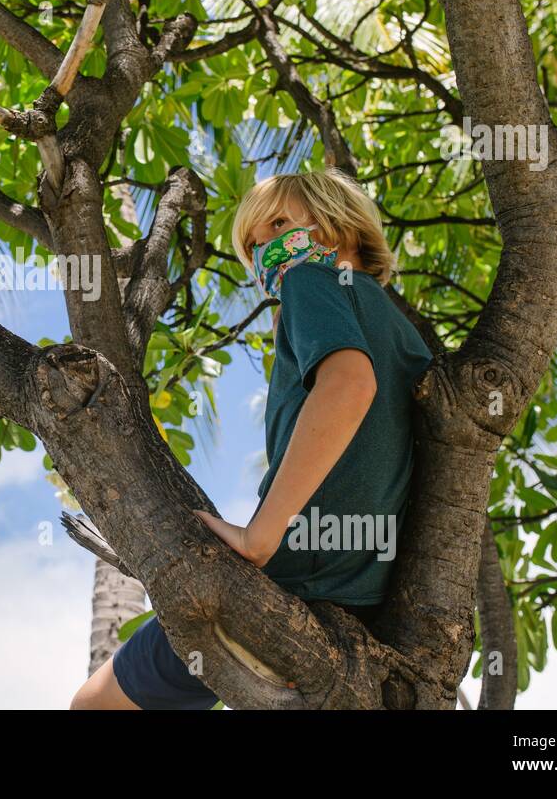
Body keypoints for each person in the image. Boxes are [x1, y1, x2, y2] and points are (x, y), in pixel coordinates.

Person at [70, 167, 434, 709]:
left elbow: (350, 386)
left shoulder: (311, 281)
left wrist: (259, 537)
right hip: (363, 590)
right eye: (253, 243)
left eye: (279, 224)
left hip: (296, 578)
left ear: (341, 226)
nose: (266, 248)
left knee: (92, 707)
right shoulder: (404, 331)